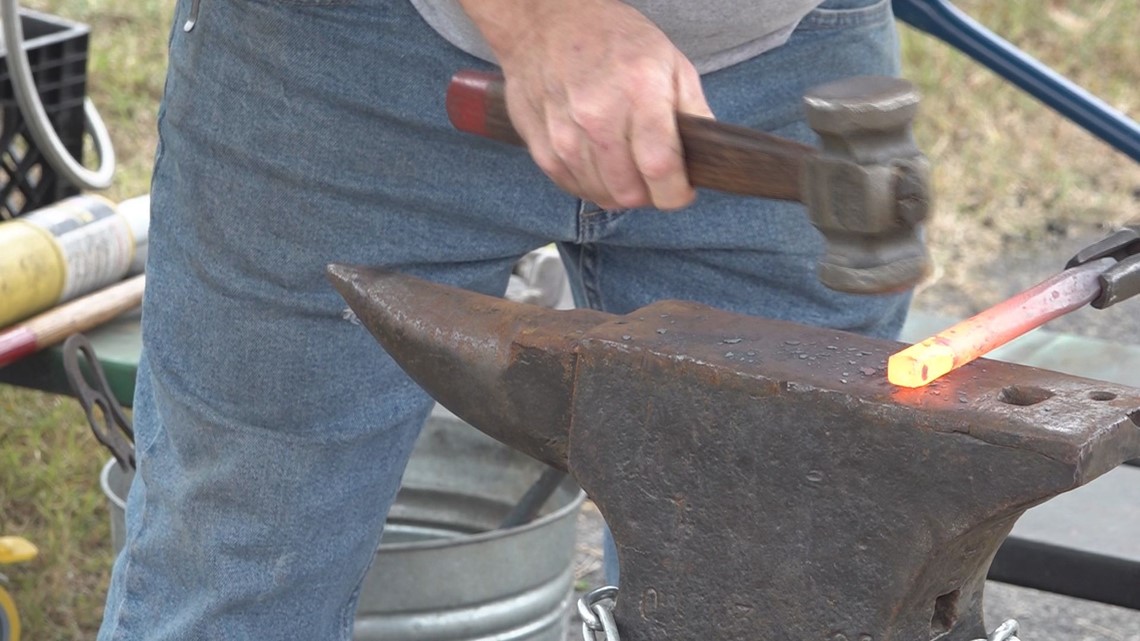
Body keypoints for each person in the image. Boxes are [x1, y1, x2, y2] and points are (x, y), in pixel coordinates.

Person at [98, 0, 911, 638]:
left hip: (786, 51)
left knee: (768, 594)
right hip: (348, 52)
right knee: (243, 569)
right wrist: (536, 15)